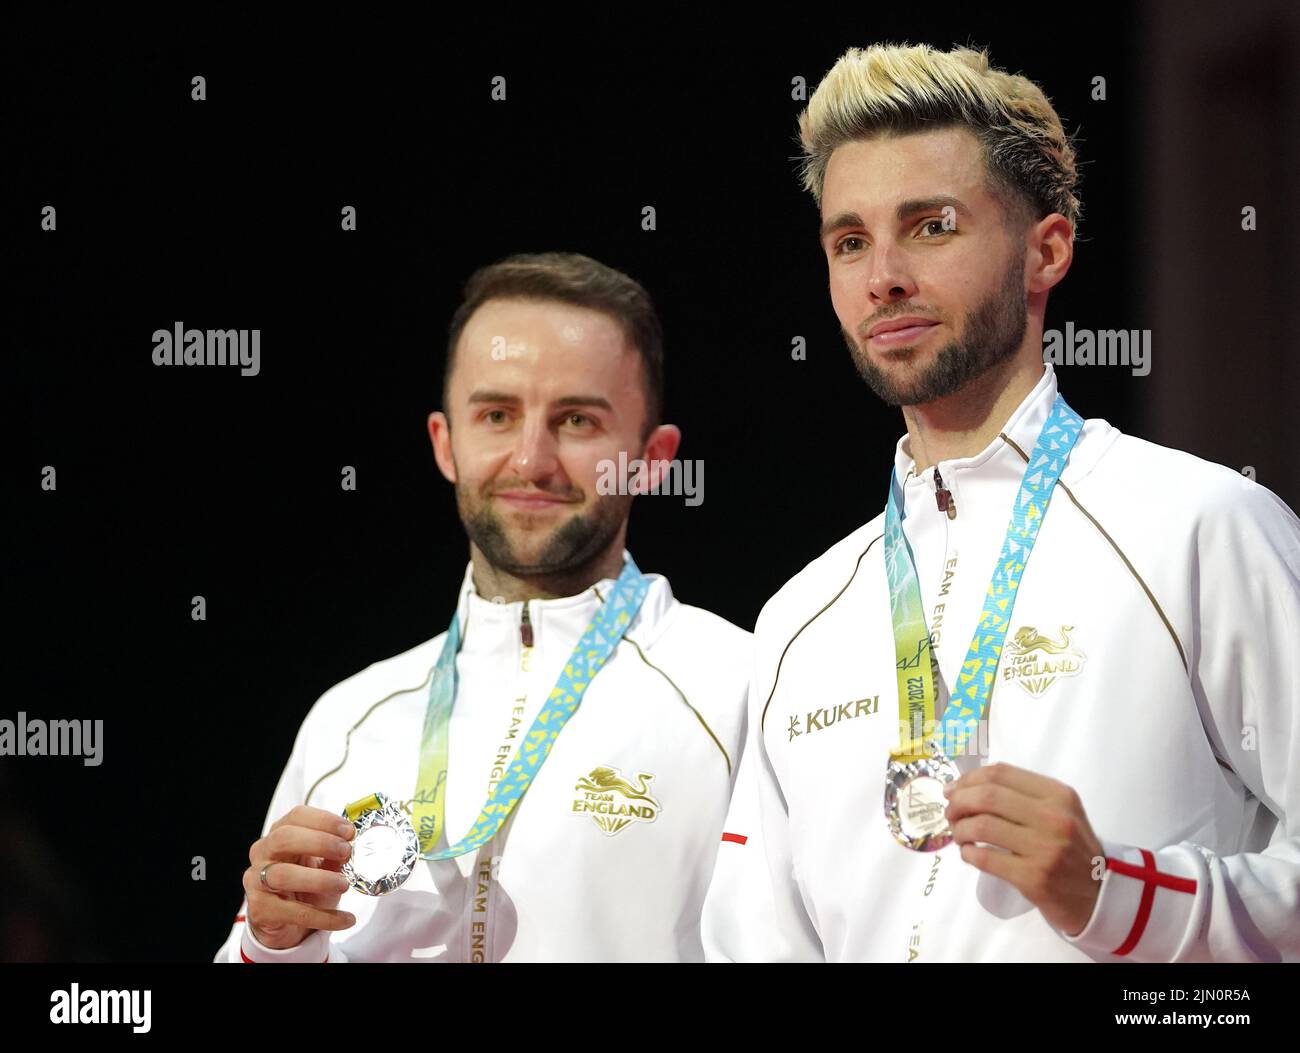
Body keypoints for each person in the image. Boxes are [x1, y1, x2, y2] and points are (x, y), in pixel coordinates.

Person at [708, 43, 1300, 962]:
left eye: (932, 225)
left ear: (1046, 250)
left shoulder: (1199, 527)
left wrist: (1122, 893)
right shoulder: (797, 620)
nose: (883, 277)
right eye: (850, 241)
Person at [215, 252, 750, 962]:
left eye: (578, 420)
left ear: (653, 457)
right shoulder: (349, 720)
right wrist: (273, 943)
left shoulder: (737, 689)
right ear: (446, 443)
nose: (531, 459)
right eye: (497, 414)